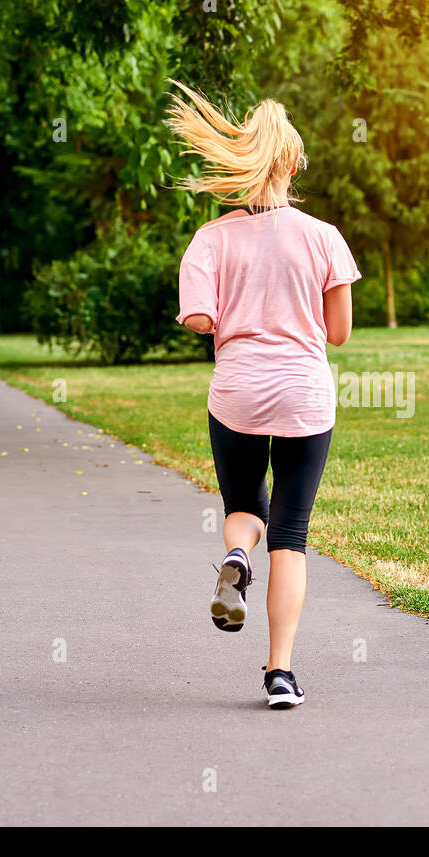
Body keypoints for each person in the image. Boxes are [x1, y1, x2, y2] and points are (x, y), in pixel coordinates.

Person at [167, 80, 360, 709]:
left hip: (238, 394)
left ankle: (235, 557)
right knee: (293, 536)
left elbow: (197, 318)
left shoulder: (210, 239)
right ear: (294, 162)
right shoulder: (325, 236)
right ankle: (279, 674)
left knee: (246, 507)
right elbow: (339, 332)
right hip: (304, 394)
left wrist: (231, 312)